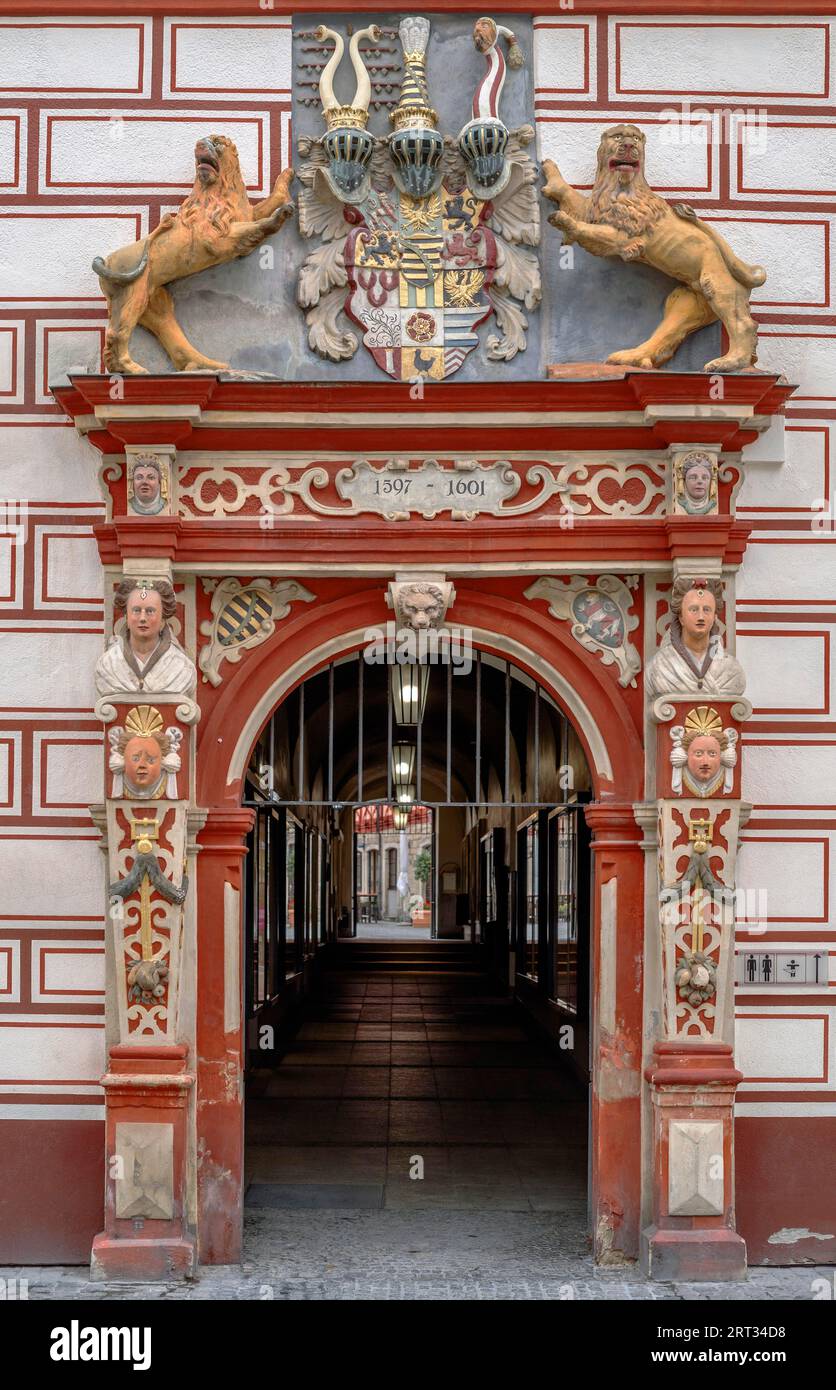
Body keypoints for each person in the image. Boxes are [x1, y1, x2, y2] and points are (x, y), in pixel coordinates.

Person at [95, 578, 197, 697]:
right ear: (127, 618)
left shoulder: (182, 668)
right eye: (136, 610)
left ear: (163, 620)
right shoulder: (108, 664)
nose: (142, 618)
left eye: (150, 611)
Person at [646, 576, 745, 698]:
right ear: (681, 617)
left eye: (707, 610)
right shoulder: (660, 667)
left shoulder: (731, 670)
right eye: (693, 610)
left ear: (715, 617)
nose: (701, 617)